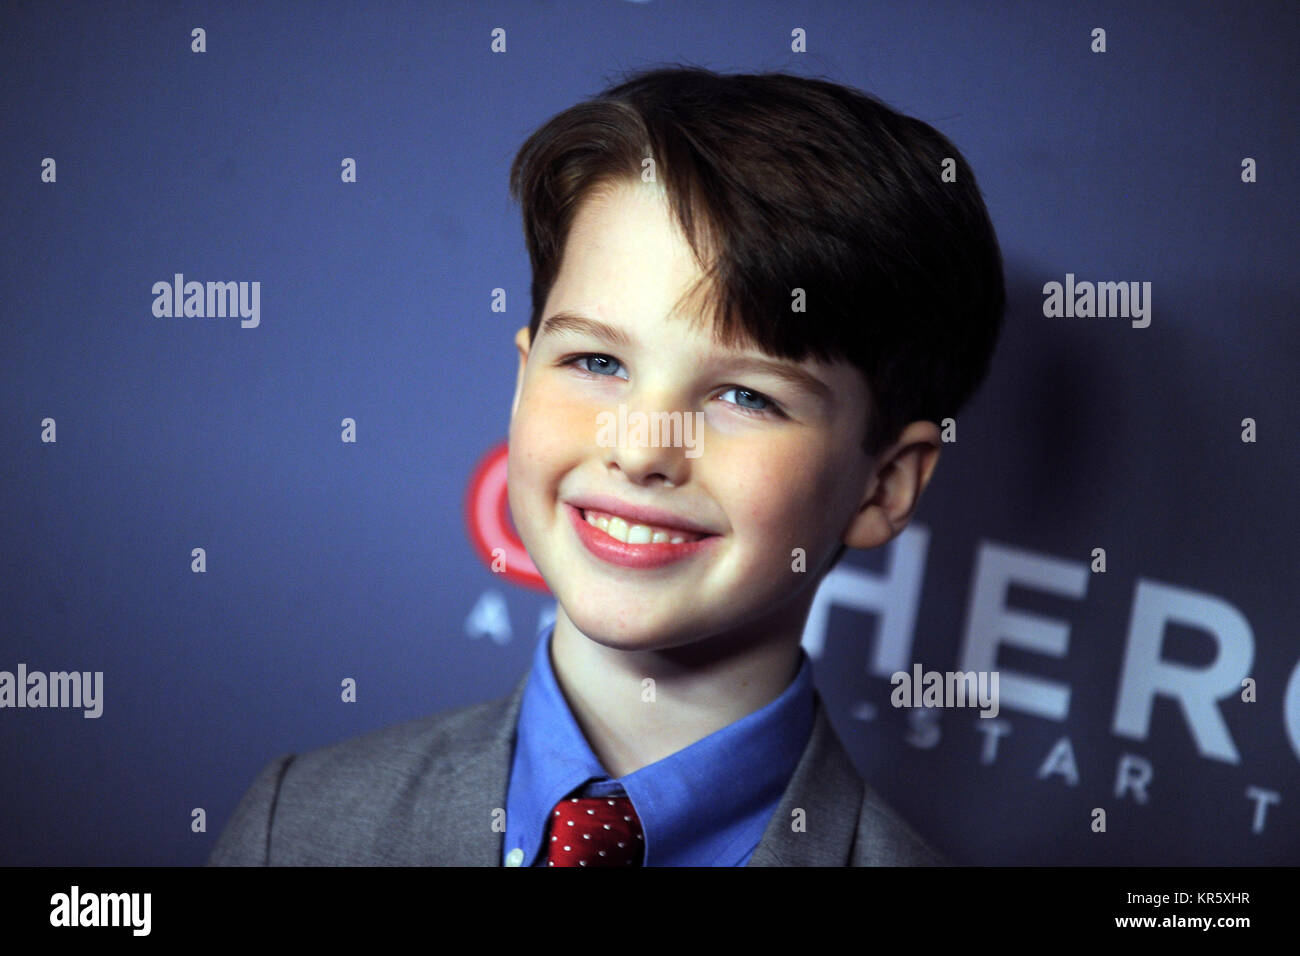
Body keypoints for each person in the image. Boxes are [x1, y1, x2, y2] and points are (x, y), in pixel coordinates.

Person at [209, 65, 1004, 867]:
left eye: (746, 396)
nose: (642, 447)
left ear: (884, 485)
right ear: (522, 382)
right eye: (597, 362)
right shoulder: (298, 825)